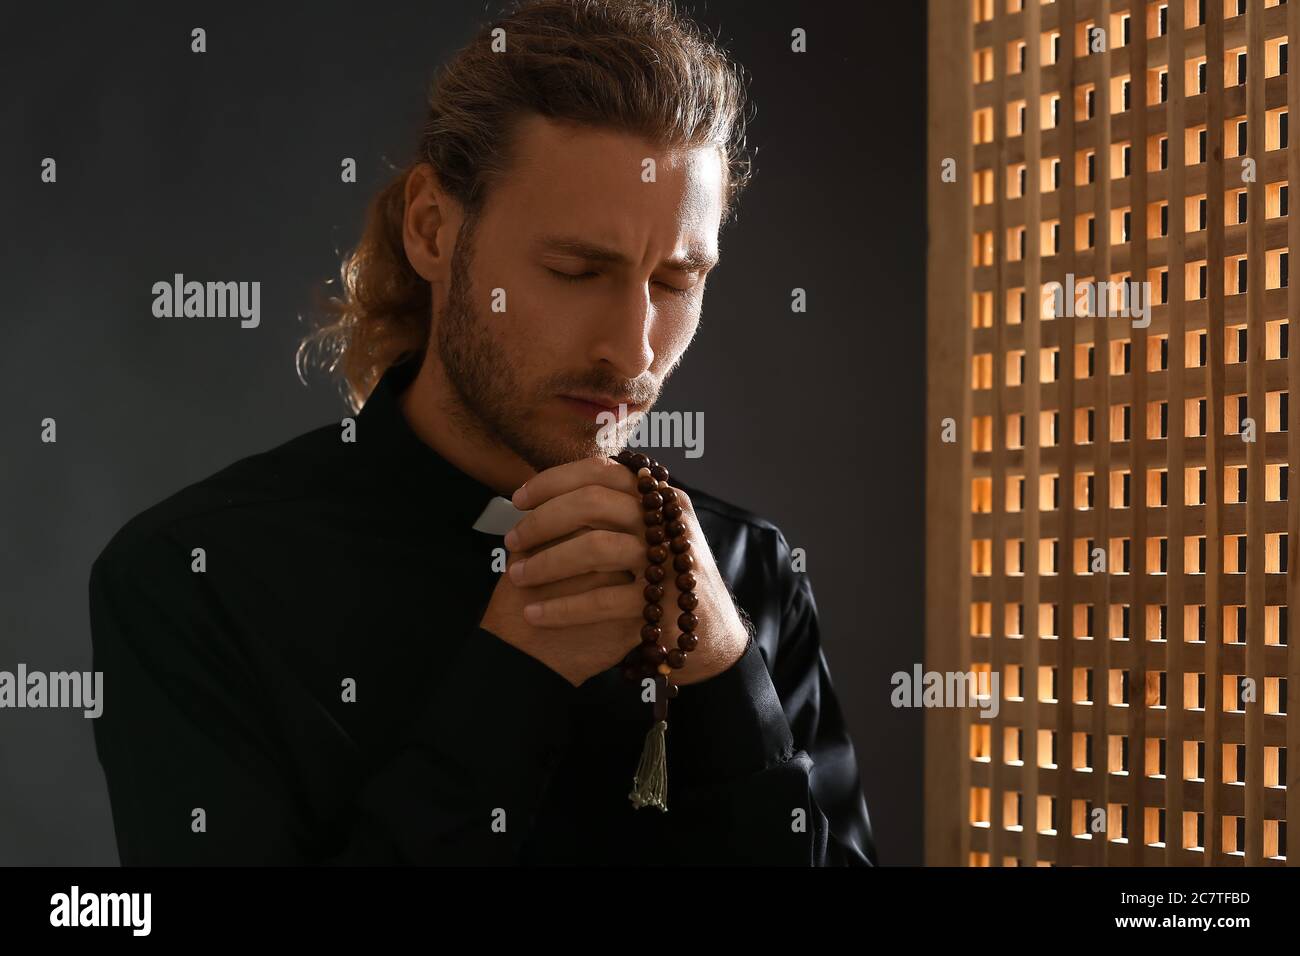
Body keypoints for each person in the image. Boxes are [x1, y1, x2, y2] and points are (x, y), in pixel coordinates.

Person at [88, 0, 876, 865]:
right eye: (577, 270)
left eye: (676, 281)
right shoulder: (192, 580)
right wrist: (513, 683)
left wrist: (733, 686)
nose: (633, 350)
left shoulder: (748, 575)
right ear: (431, 228)